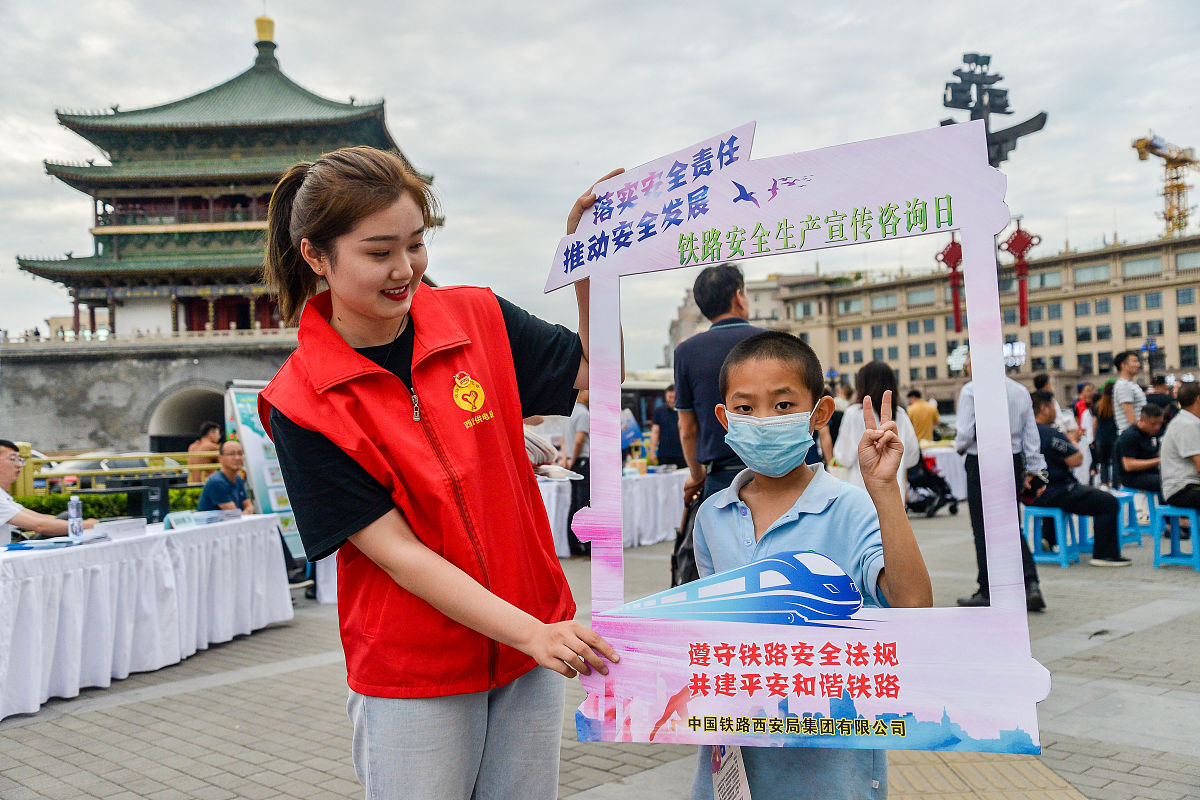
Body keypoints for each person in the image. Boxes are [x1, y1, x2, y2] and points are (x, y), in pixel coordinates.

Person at [256, 146, 618, 799]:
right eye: (378, 252)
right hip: (415, 674)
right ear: (316, 257)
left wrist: (588, 265)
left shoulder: (478, 318)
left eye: (416, 245)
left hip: (530, 650)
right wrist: (533, 632)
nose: (404, 270)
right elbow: (398, 555)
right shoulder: (301, 401)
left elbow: (595, 375)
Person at [689, 331, 931, 800]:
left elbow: (914, 605)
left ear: (818, 413)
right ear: (724, 417)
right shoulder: (712, 515)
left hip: (831, 767)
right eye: (745, 408)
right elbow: (707, 626)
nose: (762, 421)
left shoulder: (851, 508)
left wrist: (884, 493)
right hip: (733, 758)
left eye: (782, 406)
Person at [954, 355, 1048, 611]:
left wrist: (959, 447)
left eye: (968, 364)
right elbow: (1031, 435)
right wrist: (1035, 469)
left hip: (981, 459)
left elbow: (963, 433)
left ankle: (987, 588)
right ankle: (1031, 584)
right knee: (1009, 525)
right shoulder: (1019, 391)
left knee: (982, 527)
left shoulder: (971, 390)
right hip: (1011, 459)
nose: (967, 368)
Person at [674, 264, 766, 504]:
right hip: (775, 473)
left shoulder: (686, 351)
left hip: (721, 478)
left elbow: (687, 429)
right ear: (739, 298)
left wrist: (696, 475)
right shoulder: (772, 342)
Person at [1027, 392, 1130, 566]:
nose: (1055, 411)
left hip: (1032, 494)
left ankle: (1048, 538)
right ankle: (1105, 555)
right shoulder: (1051, 434)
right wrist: (1072, 441)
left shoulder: (1023, 432)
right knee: (1107, 502)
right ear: (1043, 408)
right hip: (1058, 490)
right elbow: (1076, 460)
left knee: (1057, 495)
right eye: (1053, 406)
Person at [834, 362, 920, 493]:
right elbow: (912, 456)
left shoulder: (853, 413)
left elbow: (844, 457)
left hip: (860, 493)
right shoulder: (900, 414)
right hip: (895, 493)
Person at [1, 439, 97, 539]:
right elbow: (40, 526)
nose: (19, 465)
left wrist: (80, 523)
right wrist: (87, 525)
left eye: (20, 460)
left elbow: (39, 517)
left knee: (65, 517)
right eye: (13, 459)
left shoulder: (3, 496)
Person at [1160, 381, 1200, 512]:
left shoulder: (1187, 421)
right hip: (1181, 489)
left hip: (1188, 485)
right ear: (1198, 399)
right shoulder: (1187, 424)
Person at [561, 389, 592, 555]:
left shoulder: (569, 413)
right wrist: (573, 459)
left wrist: (566, 459)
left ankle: (573, 544)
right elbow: (580, 440)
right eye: (587, 391)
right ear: (580, 393)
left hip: (572, 463)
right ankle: (586, 545)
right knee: (584, 504)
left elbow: (564, 440)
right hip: (581, 462)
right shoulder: (584, 413)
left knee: (574, 503)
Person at [1113, 404, 1164, 493]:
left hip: (1149, 472)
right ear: (1142, 420)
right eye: (1153, 424)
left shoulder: (1151, 433)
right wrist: (1159, 460)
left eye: (1160, 423)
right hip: (1132, 477)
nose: (1157, 427)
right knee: (1168, 483)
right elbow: (1129, 465)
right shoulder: (1130, 436)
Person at [196, 439, 255, 513]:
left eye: (240, 454)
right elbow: (235, 514)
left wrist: (247, 511)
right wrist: (247, 511)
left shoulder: (238, 479)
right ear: (220, 458)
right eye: (231, 454)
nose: (237, 458)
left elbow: (249, 506)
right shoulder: (216, 482)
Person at [648, 384, 687, 469]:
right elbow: (655, 432)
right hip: (665, 455)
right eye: (670, 397)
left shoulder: (685, 410)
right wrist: (652, 452)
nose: (672, 400)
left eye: (674, 397)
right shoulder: (659, 411)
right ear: (665, 396)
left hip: (684, 454)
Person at [1113, 350, 1146, 436]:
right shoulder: (1123, 385)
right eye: (1134, 361)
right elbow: (1129, 414)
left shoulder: (1130, 384)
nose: (1138, 365)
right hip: (1131, 436)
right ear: (1123, 365)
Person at [1093, 379, 1118, 487]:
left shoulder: (1099, 405)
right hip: (1114, 438)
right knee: (1116, 463)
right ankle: (1116, 485)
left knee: (1103, 464)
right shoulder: (1116, 406)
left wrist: (1094, 438)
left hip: (1101, 438)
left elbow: (1095, 423)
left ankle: (1104, 484)